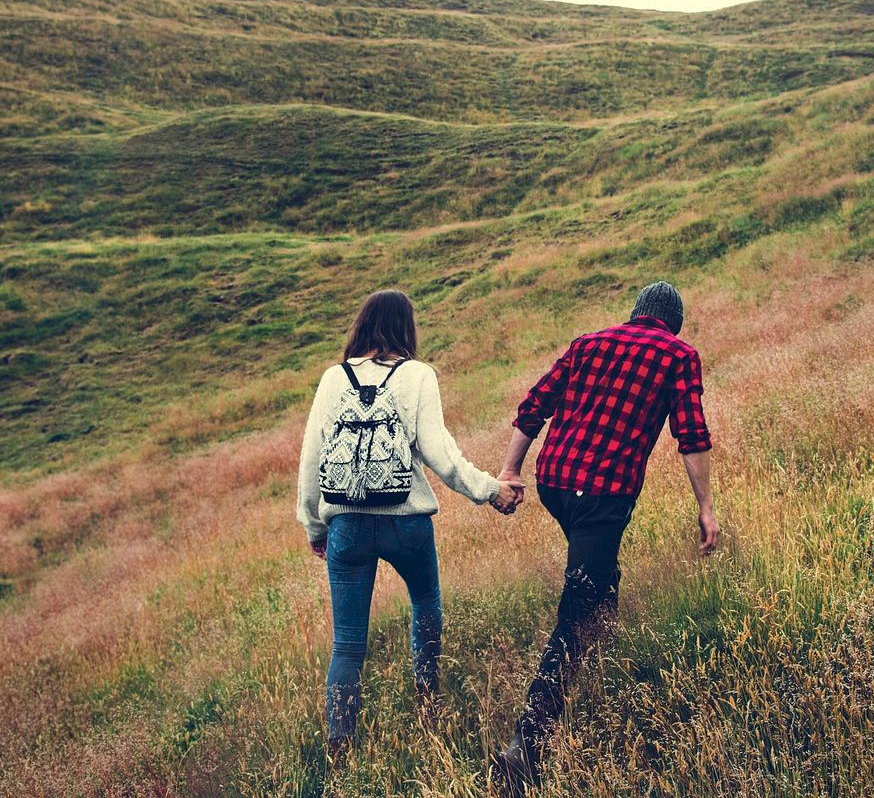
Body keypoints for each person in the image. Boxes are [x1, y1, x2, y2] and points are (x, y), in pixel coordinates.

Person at [489, 281, 720, 792]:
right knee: (575, 612)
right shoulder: (679, 354)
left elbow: (534, 406)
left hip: (554, 483)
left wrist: (510, 469)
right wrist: (706, 508)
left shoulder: (588, 342)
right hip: (602, 495)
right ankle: (525, 749)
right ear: (672, 322)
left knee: (596, 577)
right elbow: (692, 434)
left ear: (635, 313)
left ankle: (607, 649)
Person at [296, 289, 523, 760]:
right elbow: (439, 453)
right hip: (407, 522)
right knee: (426, 605)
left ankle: (340, 748)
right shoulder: (418, 375)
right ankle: (427, 705)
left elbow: (311, 462)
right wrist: (489, 491)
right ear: (406, 327)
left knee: (348, 645)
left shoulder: (332, 378)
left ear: (361, 325)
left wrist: (316, 529)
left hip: (347, 528)